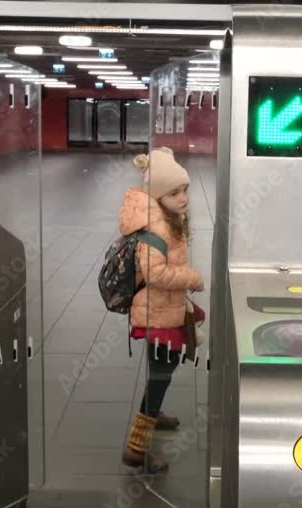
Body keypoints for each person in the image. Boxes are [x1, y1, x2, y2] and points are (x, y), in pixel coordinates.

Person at [118, 147, 205, 473]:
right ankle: (137, 448)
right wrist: (192, 278)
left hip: (164, 309)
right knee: (159, 375)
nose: (183, 197)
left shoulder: (166, 218)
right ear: (158, 196)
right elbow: (156, 274)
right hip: (156, 313)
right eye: (174, 192)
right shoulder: (155, 229)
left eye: (184, 190)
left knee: (163, 372)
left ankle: (155, 412)